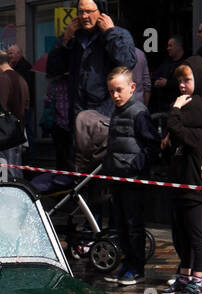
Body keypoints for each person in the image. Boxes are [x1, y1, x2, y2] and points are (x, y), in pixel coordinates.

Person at [46, 0, 135, 169]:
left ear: (101, 12)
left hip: (106, 115)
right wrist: (65, 40)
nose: (84, 16)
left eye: (88, 11)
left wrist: (110, 33)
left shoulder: (118, 34)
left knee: (104, 169)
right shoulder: (74, 38)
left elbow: (128, 62)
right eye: (80, 12)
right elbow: (53, 69)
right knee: (80, 169)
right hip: (79, 118)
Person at [161, 57, 202, 294]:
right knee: (185, 231)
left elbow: (191, 132)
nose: (183, 85)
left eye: (187, 80)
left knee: (201, 228)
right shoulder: (188, 104)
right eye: (180, 81)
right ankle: (187, 274)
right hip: (184, 174)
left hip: (201, 175)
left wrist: (175, 119)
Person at [102, 66, 160, 285]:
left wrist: (135, 166)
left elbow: (152, 145)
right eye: (111, 91)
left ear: (132, 88)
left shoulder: (139, 112)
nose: (115, 95)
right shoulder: (117, 112)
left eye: (118, 90)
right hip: (118, 177)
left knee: (133, 224)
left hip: (132, 178)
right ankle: (127, 263)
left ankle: (137, 268)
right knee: (122, 224)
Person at [0, 49, 28, 168]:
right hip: (19, 132)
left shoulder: (3, 78)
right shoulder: (20, 78)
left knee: (7, 174)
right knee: (16, 171)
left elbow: (0, 107)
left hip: (7, 136)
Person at [150, 36, 186, 112]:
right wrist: (157, 81)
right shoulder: (167, 62)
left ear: (178, 47)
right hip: (164, 105)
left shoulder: (186, 63)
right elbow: (156, 74)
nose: (168, 48)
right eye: (168, 46)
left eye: (170, 46)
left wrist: (167, 83)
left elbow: (186, 83)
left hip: (179, 105)